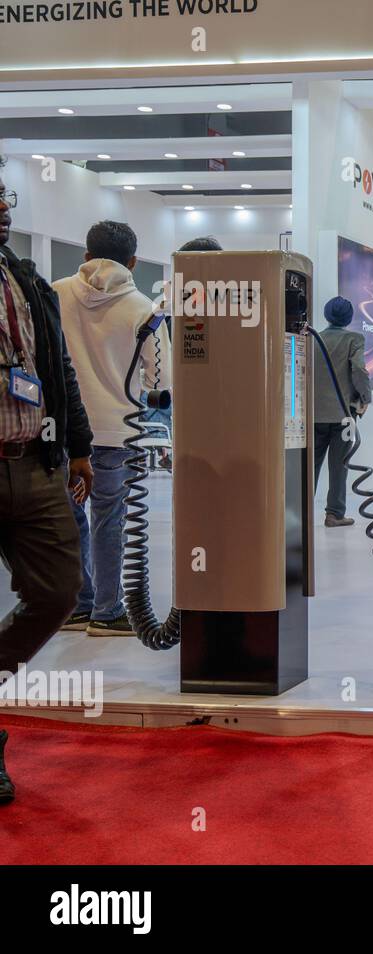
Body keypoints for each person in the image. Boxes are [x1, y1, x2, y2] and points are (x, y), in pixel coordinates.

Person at [0, 156, 96, 805]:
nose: (4, 208)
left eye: (4, 196)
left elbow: (56, 366)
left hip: (35, 463)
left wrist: (79, 446)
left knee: (60, 590)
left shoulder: (25, 278)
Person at [55, 221, 170, 636]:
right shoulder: (144, 308)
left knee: (71, 518)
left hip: (62, 431)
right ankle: (107, 611)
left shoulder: (55, 293)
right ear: (133, 262)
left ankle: (78, 606)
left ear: (86, 256)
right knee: (110, 519)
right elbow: (162, 380)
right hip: (117, 431)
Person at [313, 296, 370, 528]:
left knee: (310, 466)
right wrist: (365, 398)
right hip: (344, 416)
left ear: (327, 315)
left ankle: (299, 512)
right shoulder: (354, 339)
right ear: (349, 318)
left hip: (314, 415)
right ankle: (334, 514)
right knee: (339, 465)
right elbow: (359, 370)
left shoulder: (313, 338)